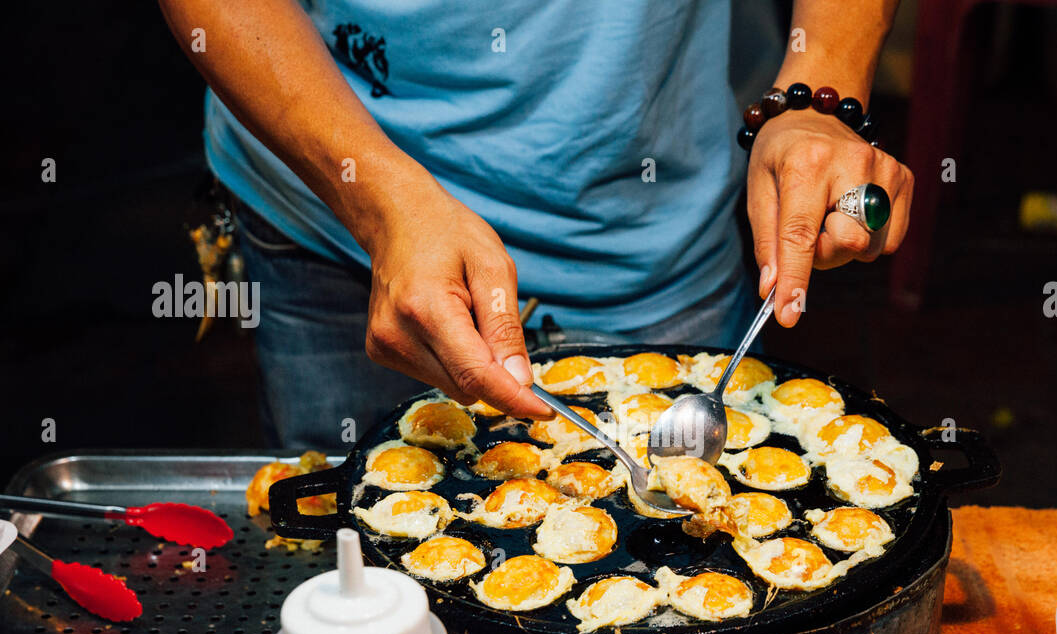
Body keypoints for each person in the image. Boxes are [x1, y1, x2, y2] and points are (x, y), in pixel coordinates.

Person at [159, 0, 913, 447]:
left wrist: (820, 95)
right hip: (332, 216)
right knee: (353, 578)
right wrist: (378, 204)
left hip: (652, 230)